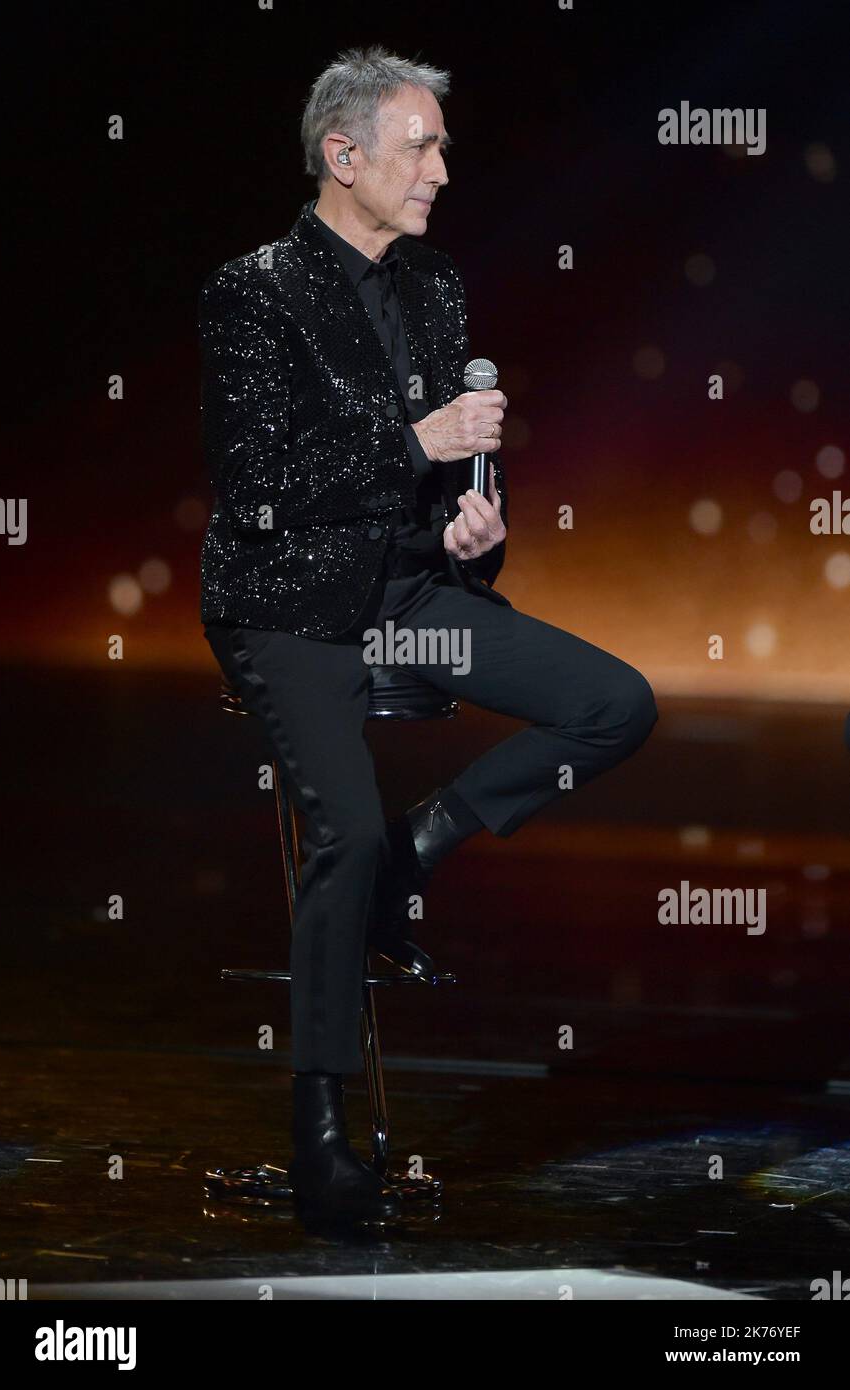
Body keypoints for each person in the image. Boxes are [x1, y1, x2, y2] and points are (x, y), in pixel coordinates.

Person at [199, 45, 658, 1223]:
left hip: (405, 610)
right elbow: (258, 486)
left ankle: (419, 855)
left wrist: (473, 533)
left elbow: (454, 472)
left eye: (443, 145)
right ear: (341, 157)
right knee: (338, 833)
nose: (443, 169)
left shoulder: (434, 285)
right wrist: (418, 443)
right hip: (293, 605)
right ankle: (318, 1133)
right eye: (422, 145)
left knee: (614, 703)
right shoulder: (251, 290)